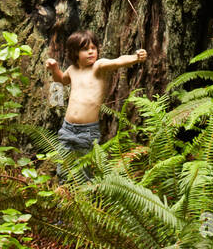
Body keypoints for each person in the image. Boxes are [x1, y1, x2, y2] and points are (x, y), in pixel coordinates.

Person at [46, 28, 146, 161]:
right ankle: (63, 182)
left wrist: (135, 58)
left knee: (83, 166)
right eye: (85, 49)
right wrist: (55, 69)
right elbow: (61, 81)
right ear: (74, 52)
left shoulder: (98, 67)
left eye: (93, 48)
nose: (91, 51)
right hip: (67, 127)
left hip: (87, 131)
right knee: (64, 164)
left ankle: (83, 182)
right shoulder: (72, 70)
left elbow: (118, 61)